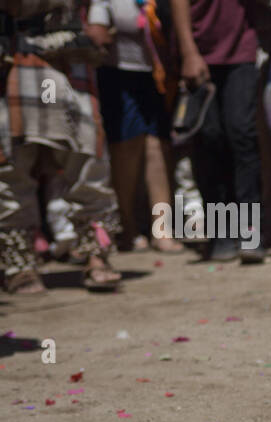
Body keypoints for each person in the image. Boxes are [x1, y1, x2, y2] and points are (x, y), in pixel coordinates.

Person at [1, 0, 123, 293]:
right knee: (10, 161)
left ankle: (97, 254)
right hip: (10, 49)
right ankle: (19, 264)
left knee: (86, 154)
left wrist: (98, 19)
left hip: (67, 49)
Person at [170, 0, 266, 263]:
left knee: (242, 135)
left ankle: (250, 230)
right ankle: (221, 232)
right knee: (209, 139)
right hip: (200, 53)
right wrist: (189, 53)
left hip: (241, 51)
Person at [88, 0, 183, 252]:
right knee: (127, 148)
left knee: (158, 148)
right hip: (118, 75)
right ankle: (127, 226)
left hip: (158, 76)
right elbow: (96, 31)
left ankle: (161, 230)